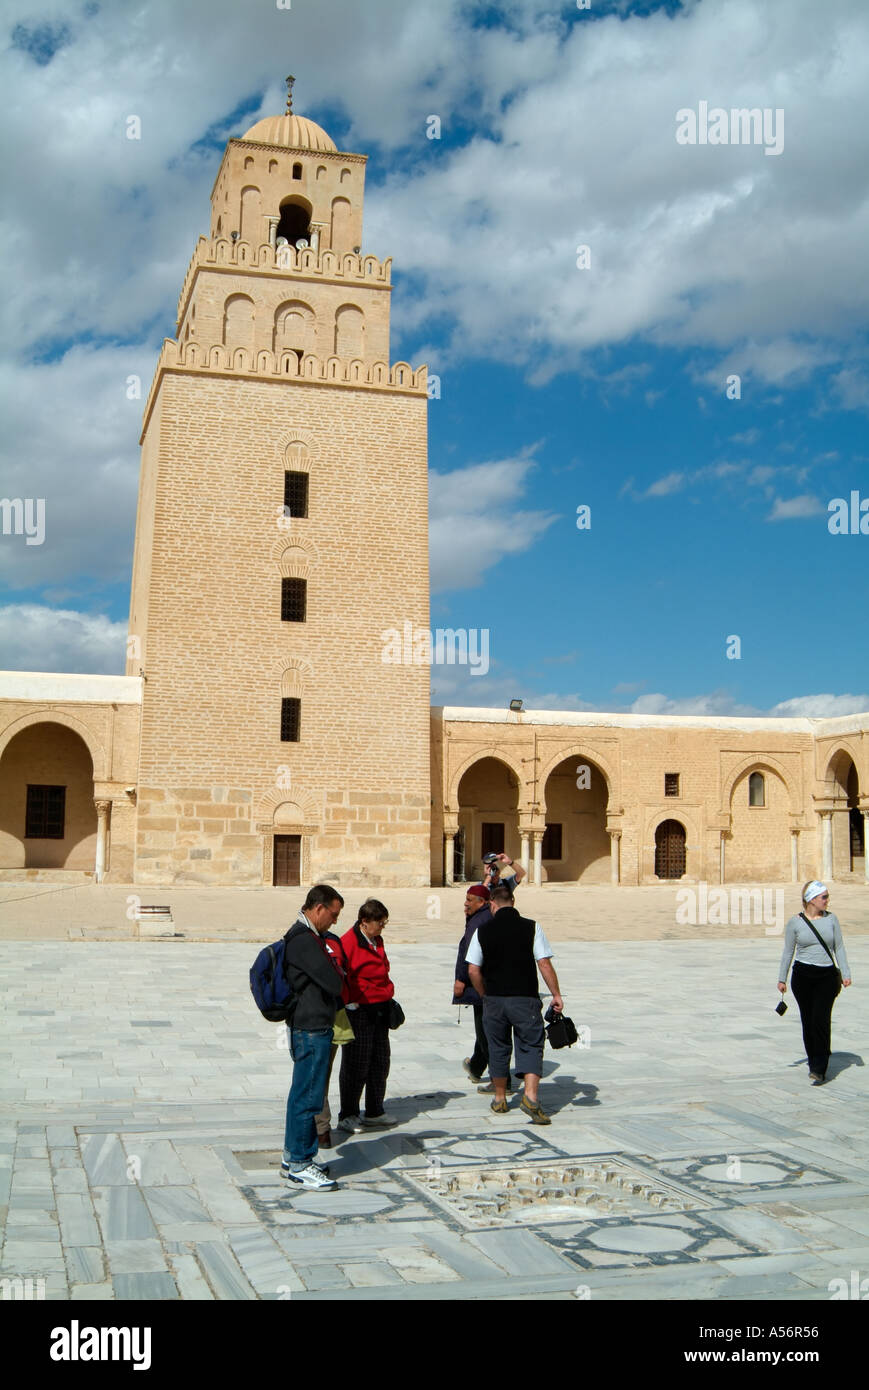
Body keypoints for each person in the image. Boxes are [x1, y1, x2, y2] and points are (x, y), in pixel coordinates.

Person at [466, 884, 564, 1125]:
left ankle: (499, 1098)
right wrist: (556, 994)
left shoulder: (483, 930)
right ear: (513, 901)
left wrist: (484, 994)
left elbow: (473, 969)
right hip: (525, 999)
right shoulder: (532, 927)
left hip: (495, 1000)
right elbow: (543, 963)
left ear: (492, 904)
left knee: (498, 1046)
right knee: (531, 1044)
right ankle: (530, 1097)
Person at [281, 884, 345, 1190]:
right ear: (317, 909)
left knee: (302, 1093)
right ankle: (300, 1165)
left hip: (309, 1025)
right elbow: (334, 982)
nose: (334, 922)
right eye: (332, 915)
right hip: (311, 1028)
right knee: (309, 1097)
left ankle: (292, 1155)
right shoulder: (305, 940)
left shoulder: (308, 937)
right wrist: (337, 972)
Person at [778, 880, 852, 1085]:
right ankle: (813, 1061)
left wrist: (845, 973)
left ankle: (820, 1067)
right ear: (811, 899)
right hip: (802, 976)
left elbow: (839, 947)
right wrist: (781, 978)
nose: (827, 901)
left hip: (826, 977)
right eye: (824, 897)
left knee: (821, 1019)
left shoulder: (831, 920)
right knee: (808, 1020)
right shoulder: (795, 922)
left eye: (827, 896)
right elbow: (788, 952)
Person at [337, 899, 398, 1131]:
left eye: (384, 923)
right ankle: (348, 1113)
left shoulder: (377, 940)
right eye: (380, 923)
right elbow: (343, 975)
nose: (382, 927)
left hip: (380, 1008)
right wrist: (350, 1001)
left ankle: (374, 1110)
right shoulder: (348, 943)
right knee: (356, 1064)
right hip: (359, 1011)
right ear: (364, 922)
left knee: (380, 1061)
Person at [453, 885, 517, 1092]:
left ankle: (501, 1080)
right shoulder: (484, 918)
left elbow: (470, 955)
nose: (465, 903)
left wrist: (461, 979)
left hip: (480, 985)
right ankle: (476, 1067)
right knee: (486, 1029)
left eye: (470, 900)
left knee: (486, 1033)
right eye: (466, 899)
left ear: (483, 903)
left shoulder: (479, 922)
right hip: (493, 983)